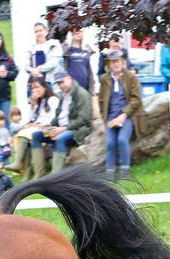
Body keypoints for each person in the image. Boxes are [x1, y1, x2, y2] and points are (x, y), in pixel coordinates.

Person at [30, 70, 92, 175]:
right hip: (61, 128)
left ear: (69, 79)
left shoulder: (81, 94)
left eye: (62, 82)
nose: (60, 85)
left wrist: (64, 128)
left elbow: (84, 119)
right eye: (58, 83)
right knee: (36, 135)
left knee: (60, 138)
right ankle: (39, 174)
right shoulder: (63, 95)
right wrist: (48, 125)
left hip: (78, 129)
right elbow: (58, 116)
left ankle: (55, 175)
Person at [99, 50, 144, 180]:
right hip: (111, 117)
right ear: (109, 64)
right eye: (113, 62)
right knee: (110, 144)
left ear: (123, 62)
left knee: (122, 140)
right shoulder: (105, 79)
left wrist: (124, 114)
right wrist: (103, 122)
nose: (115, 64)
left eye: (117, 61)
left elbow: (136, 99)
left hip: (128, 116)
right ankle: (110, 175)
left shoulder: (131, 77)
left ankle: (125, 173)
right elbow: (101, 101)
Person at [9, 76, 59, 178]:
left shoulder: (53, 99)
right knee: (23, 137)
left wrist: (38, 125)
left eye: (37, 87)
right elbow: (32, 118)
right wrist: (33, 103)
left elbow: (54, 119)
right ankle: (26, 173)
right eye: (33, 88)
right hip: (38, 128)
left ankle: (19, 163)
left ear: (44, 87)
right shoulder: (40, 101)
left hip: (48, 128)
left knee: (24, 134)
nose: (35, 90)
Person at [27, 20, 64, 91]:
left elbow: (53, 63)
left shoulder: (54, 45)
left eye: (40, 30)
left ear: (46, 31)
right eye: (36, 32)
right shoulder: (31, 49)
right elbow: (26, 66)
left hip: (53, 84)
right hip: (37, 85)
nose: (38, 33)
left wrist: (39, 69)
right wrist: (33, 70)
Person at [62, 29, 94, 94]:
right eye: (75, 30)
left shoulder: (86, 50)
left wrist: (92, 89)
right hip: (71, 89)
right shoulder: (66, 49)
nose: (77, 32)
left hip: (85, 89)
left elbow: (89, 71)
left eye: (80, 31)